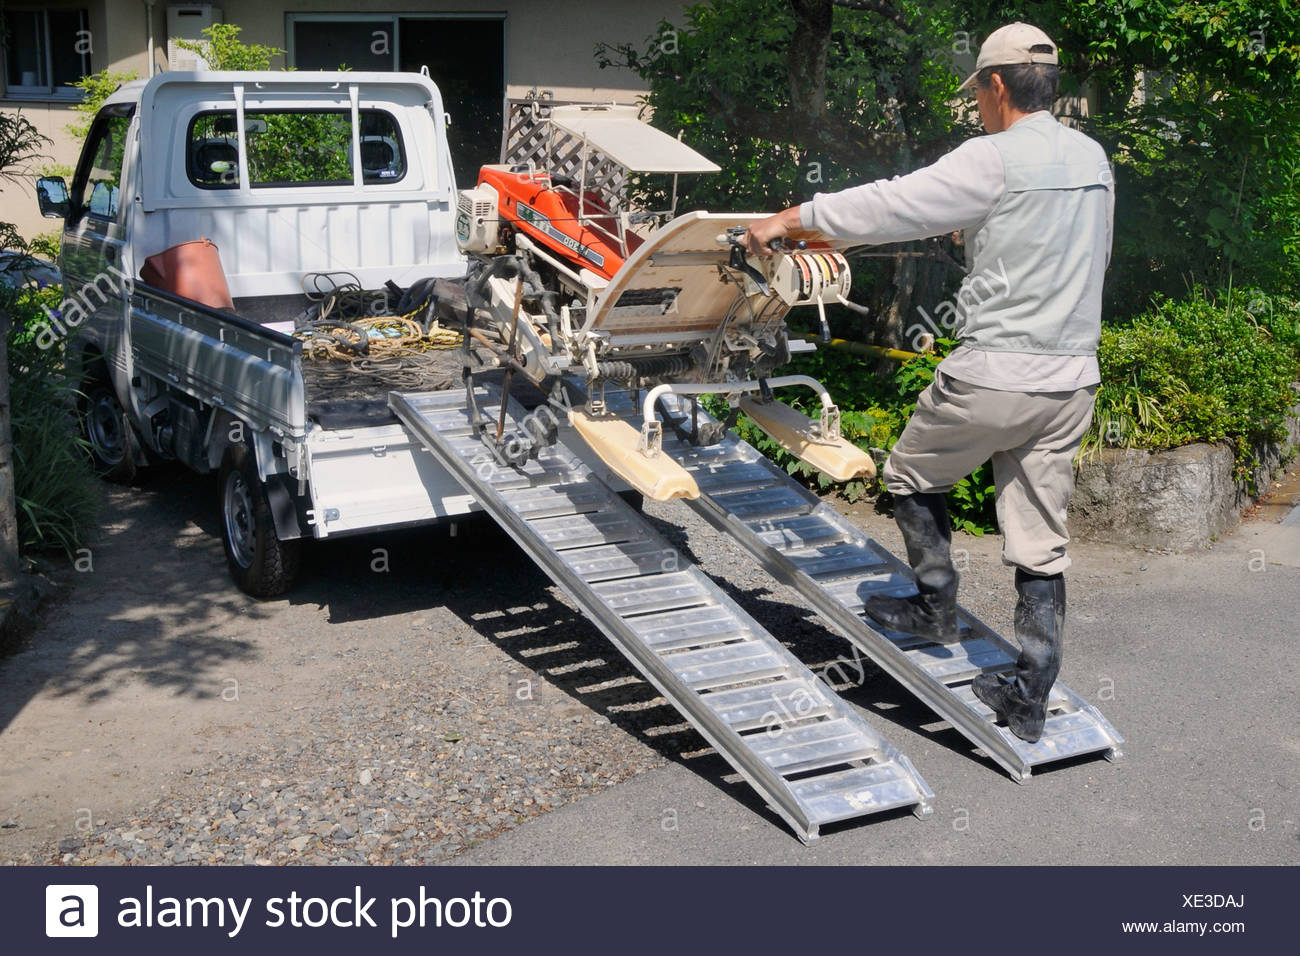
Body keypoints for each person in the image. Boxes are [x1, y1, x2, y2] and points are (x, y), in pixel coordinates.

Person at [744, 22, 1114, 743]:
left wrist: (793, 219)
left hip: (997, 372)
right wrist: (985, 235)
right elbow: (1082, 251)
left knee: (911, 474)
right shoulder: (1092, 157)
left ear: (997, 85)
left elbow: (893, 204)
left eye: (978, 92)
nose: (978, 104)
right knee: (1040, 538)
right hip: (1073, 377)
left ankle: (934, 608)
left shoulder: (993, 156)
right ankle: (1029, 694)